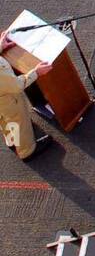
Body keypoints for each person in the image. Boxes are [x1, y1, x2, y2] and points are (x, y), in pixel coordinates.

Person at [0, 30, 53, 160]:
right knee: (18, 120)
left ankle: (12, 139)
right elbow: (16, 85)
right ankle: (27, 150)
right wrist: (36, 72)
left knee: (4, 119)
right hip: (7, 99)